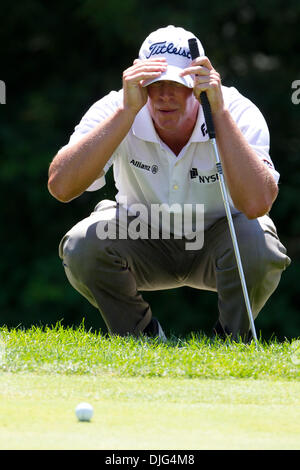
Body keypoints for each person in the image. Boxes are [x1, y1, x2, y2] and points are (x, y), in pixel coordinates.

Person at [48, 25, 290, 341]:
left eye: (178, 84)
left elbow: (257, 203)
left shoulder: (235, 109)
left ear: (199, 84)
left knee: (259, 243)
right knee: (82, 246)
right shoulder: (118, 106)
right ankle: (143, 339)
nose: (164, 95)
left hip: (222, 235)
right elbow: (61, 187)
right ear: (138, 82)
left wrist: (217, 113)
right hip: (141, 232)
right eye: (154, 83)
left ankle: (230, 343)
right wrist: (126, 112)